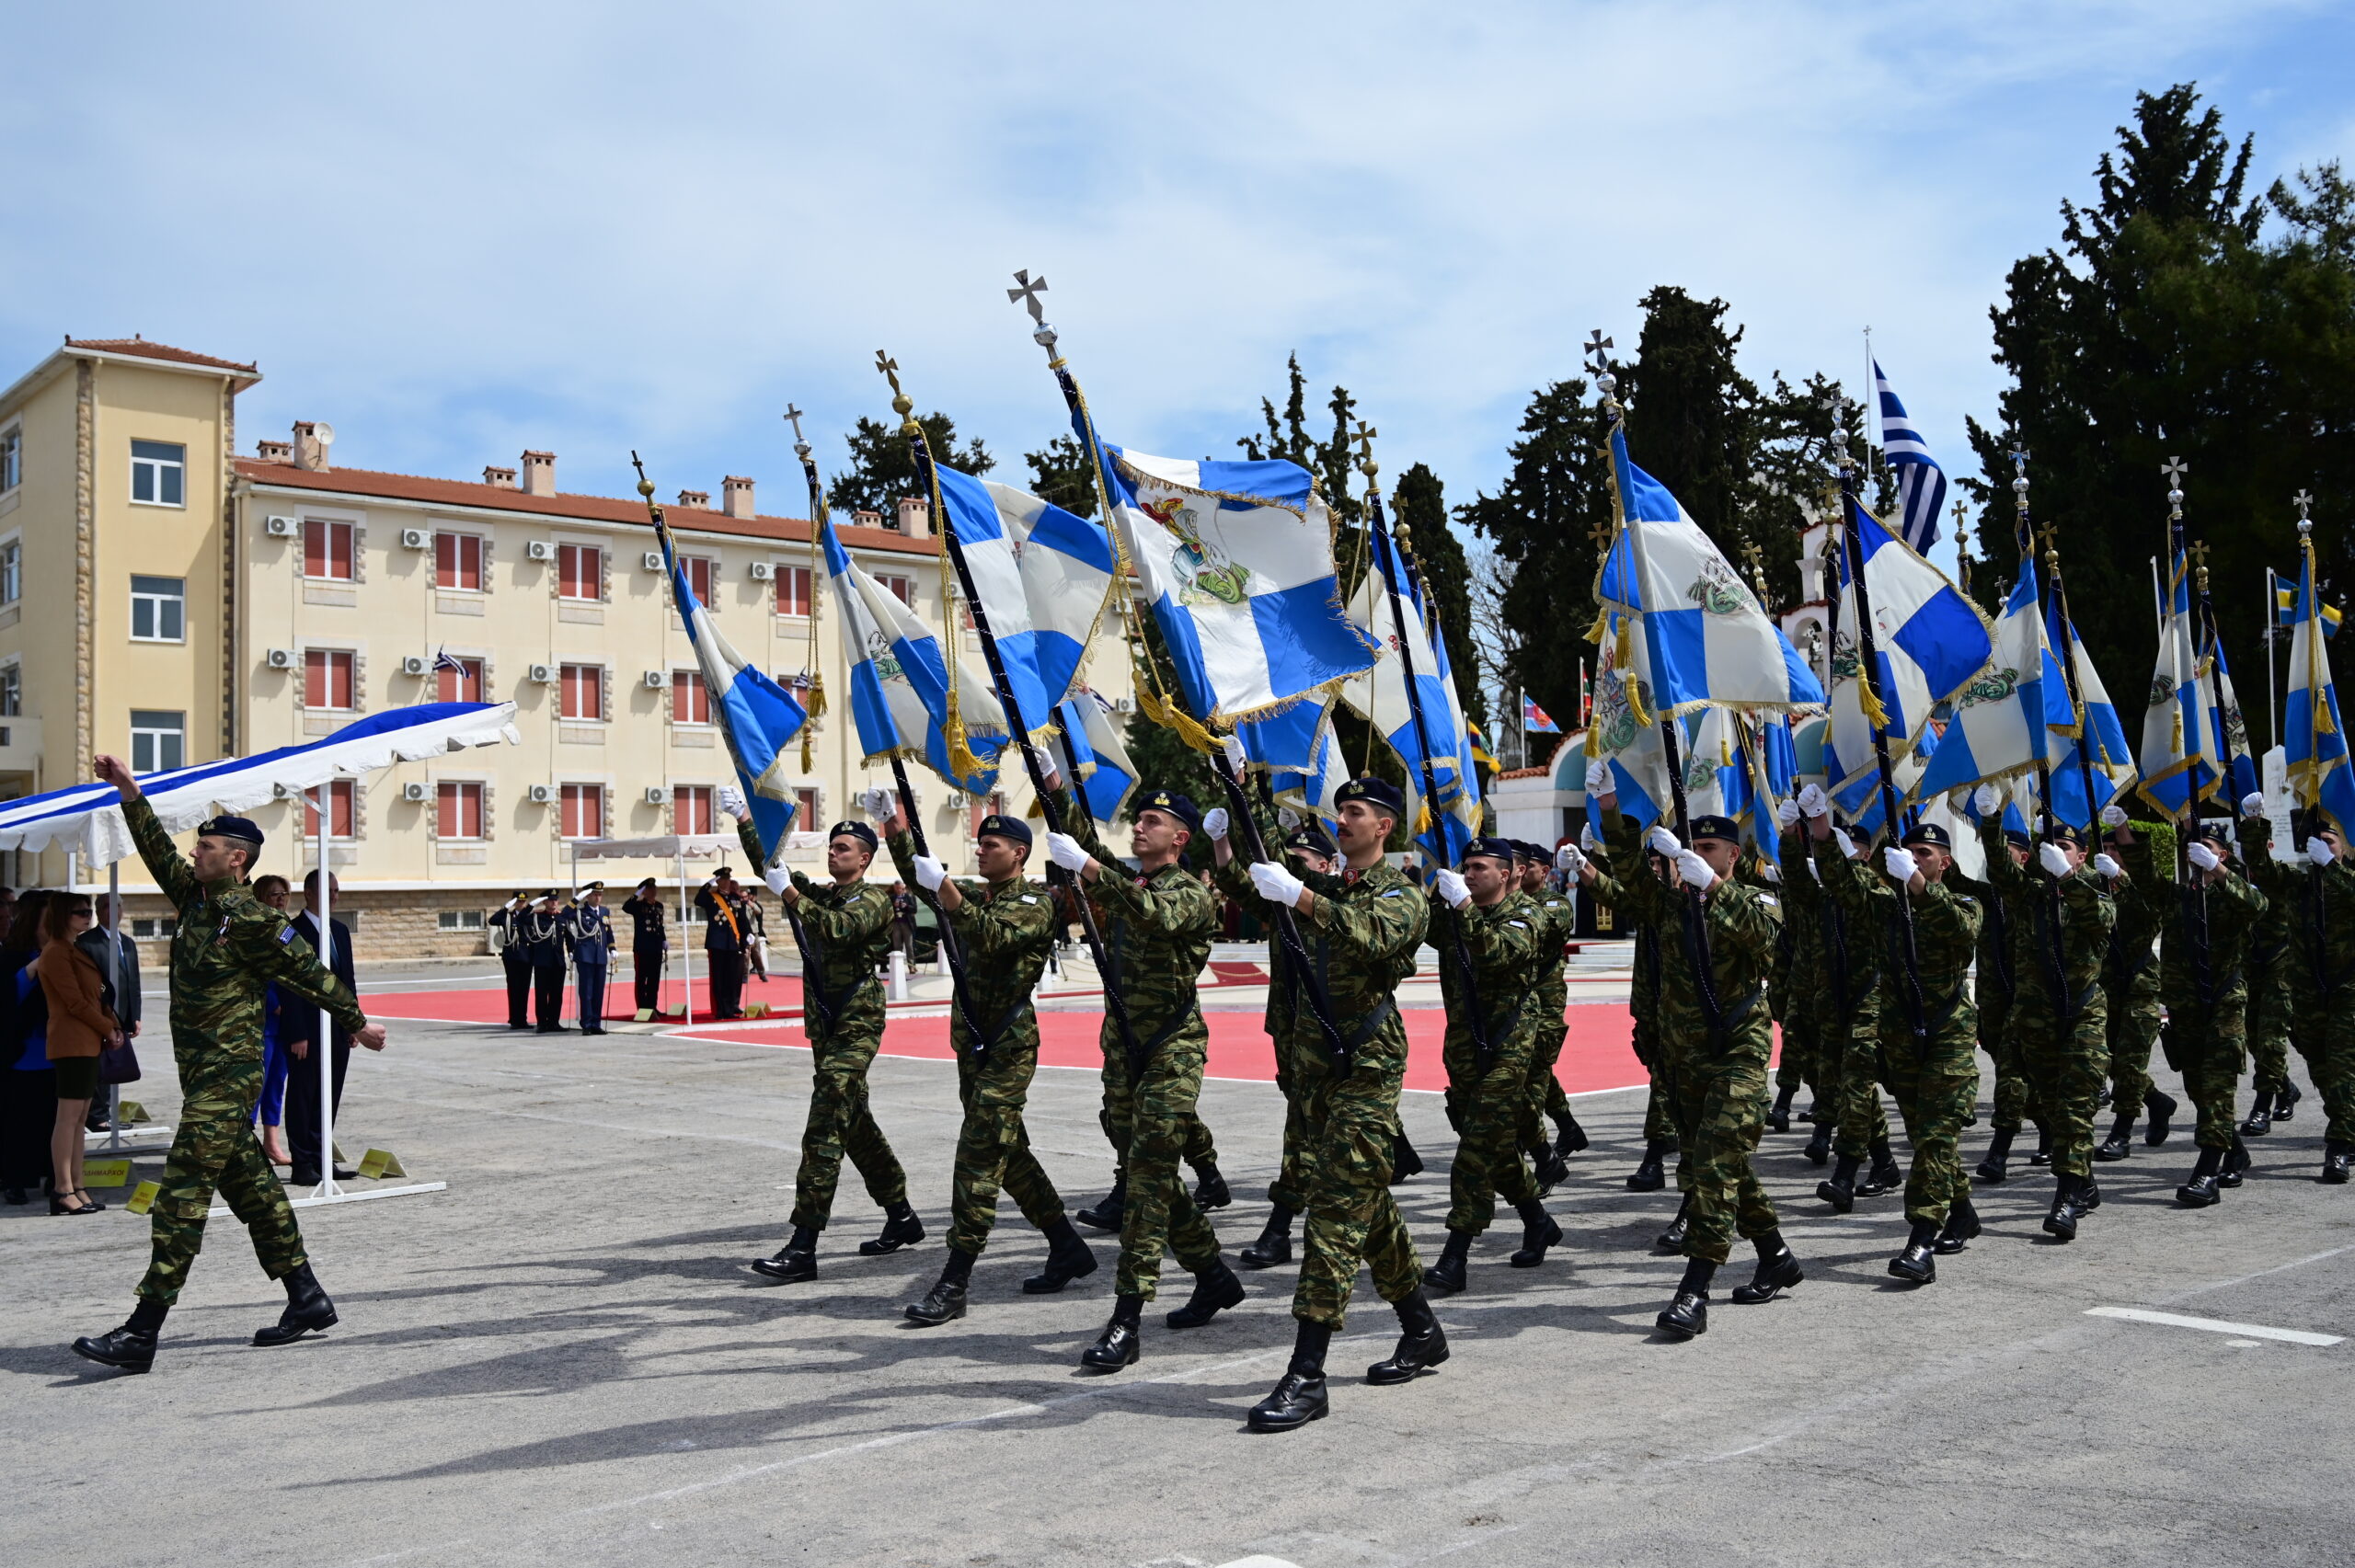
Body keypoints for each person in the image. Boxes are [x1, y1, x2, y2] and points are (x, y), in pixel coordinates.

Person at [72, 753, 386, 1375]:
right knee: (253, 1189)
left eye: (207, 845)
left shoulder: (252, 918)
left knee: (182, 1194)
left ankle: (143, 1328)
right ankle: (306, 1295)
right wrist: (129, 789)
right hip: (203, 1078)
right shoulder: (194, 899)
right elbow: (154, 842)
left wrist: (355, 1021)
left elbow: (310, 972)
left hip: (228, 1078)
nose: (196, 852)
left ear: (236, 857)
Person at [1231, 776, 1443, 1434]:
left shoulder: (1402, 893)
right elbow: (1256, 873)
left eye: (1354, 812)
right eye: (1341, 809)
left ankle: (1308, 1372)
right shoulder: (1329, 888)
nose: (1342, 819)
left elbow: (1373, 937)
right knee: (1366, 1203)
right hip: (1315, 1071)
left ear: (1385, 826)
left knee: (1330, 1211)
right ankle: (1422, 1327)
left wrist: (1301, 896)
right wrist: (1243, 793)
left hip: (1367, 1065)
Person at [1045, 783, 1244, 1372]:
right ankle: (1211, 1275)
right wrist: (1059, 792)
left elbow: (1153, 916)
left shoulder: (1189, 893)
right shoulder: (1132, 885)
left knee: (1147, 1180)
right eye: (1138, 819)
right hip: (1124, 1047)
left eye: (1152, 821)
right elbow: (1091, 859)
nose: (1139, 827)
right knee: (1148, 1171)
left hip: (1171, 1049)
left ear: (1180, 839)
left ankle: (1126, 1318)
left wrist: (1089, 868)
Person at [1591, 784, 1795, 1340]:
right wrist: (1611, 810)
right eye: (1692, 848)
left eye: (1711, 848)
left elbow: (1766, 942)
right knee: (1724, 1162)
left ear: (1733, 855)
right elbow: (1630, 876)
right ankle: (1775, 1255)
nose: (1700, 856)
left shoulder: (1756, 899)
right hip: (1685, 1054)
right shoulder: (1669, 904)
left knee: (1711, 1163)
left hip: (1739, 1048)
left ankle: (1694, 1288)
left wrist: (1717, 892)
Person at [892, 808, 1097, 1326]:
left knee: (979, 1156)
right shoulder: (978, 895)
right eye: (979, 843)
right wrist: (896, 832)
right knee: (1011, 1155)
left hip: (1007, 1046)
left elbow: (991, 936)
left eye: (992, 844)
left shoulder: (1033, 904)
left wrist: (947, 890)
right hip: (974, 1045)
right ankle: (1067, 1246)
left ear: (1019, 853)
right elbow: (923, 881)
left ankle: (956, 1279)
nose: (981, 849)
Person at [1804, 800, 1984, 1282]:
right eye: (1909, 851)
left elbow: (1960, 931)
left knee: (1934, 1139)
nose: (1914, 857)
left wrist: (1919, 886)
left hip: (1947, 1035)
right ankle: (1962, 1211)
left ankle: (1921, 1239)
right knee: (1928, 1137)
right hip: (1899, 1034)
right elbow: (1842, 882)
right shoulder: (1884, 904)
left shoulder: (1964, 903)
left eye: (1924, 853)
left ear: (1944, 862)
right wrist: (1821, 830)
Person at [750, 811, 922, 1282]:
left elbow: (835, 929)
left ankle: (803, 1245)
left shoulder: (873, 901)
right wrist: (749, 818)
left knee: (825, 1124)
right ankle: (902, 1217)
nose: (832, 853)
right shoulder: (828, 895)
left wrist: (788, 892)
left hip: (855, 1022)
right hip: (828, 1023)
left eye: (842, 848)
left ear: (865, 859)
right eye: (830, 846)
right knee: (855, 1124)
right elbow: (771, 864)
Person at [1419, 836, 1563, 1295]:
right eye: (1467, 867)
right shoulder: (1458, 915)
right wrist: (1431, 896)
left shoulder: (1527, 915)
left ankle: (1455, 1254)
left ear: (1506, 874)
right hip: (1463, 1046)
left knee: (1475, 1152)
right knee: (1495, 1147)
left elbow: (1499, 953)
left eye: (1480, 867)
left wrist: (1461, 908)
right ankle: (1537, 1220)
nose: (1470, 873)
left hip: (1508, 1047)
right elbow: (1420, 930)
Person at [1973, 784, 2116, 1239]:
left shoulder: (2097, 887)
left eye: (2065, 847)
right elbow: (2000, 869)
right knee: (2052, 1109)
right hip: (2036, 1019)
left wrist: (2070, 880)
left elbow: (2101, 920)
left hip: (2081, 1013)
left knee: (2075, 1108)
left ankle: (2066, 1197)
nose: (2054, 854)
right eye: (2047, 847)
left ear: (2082, 854)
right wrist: (1990, 818)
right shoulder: (2030, 894)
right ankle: (2084, 1181)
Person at [2108, 810, 2264, 1205]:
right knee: (2197, 1087)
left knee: (2215, 1089)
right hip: (2185, 1008)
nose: (2197, 858)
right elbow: (2145, 877)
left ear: (2222, 856)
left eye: (2206, 851)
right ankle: (2235, 1153)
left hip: (2224, 1005)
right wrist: (2123, 832)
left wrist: (2220, 874)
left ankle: (2206, 1171)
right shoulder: (2178, 898)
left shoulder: (2233, 896)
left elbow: (2258, 905)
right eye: (2193, 852)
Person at [1216, 817, 1338, 1272]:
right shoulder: (1279, 907)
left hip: (1332, 1037)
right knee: (1313, 1126)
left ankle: (1280, 1227)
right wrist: (1221, 841)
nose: (1289, 870)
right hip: (1291, 1033)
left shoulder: (1330, 903)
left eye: (1300, 863)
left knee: (1306, 1132)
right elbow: (1237, 885)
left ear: (1325, 865)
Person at [2236, 803, 2353, 1184]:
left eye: (2329, 840)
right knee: (2321, 1069)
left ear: (2345, 846)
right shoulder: (2299, 884)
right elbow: (2261, 869)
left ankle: (2337, 1145)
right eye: (2316, 840)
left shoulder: (2348, 879)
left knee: (2341, 1070)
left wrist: (2333, 869)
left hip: (2347, 991)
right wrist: (2254, 825)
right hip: (2308, 992)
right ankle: (2346, 1124)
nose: (2321, 845)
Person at [1950, 823, 2038, 1181]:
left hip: (2031, 1003)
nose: (1996, 859)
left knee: (2012, 1074)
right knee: (2022, 1071)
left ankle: (1999, 1150)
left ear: (2025, 857)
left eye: (2006, 851)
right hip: (1994, 1002)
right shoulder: (1985, 896)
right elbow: (1950, 877)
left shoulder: (2034, 895)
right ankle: (2046, 1131)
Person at [2094, 805, 2176, 1161]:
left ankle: (2122, 1130)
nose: (2111, 855)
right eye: (2106, 849)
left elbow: (2147, 915)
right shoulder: (2093, 888)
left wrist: (2122, 881)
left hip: (2141, 984)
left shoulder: (2145, 886)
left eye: (2117, 849)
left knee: (2130, 1062)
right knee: (2109, 1059)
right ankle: (2158, 1102)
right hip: (2104, 985)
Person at [34, 892, 119, 1215]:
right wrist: (106, 1028)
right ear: (61, 916)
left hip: (86, 1041)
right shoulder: (56, 952)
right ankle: (62, 1188)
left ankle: (77, 1184)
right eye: (79, 912)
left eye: (88, 911)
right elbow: (75, 1003)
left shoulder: (72, 949)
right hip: (71, 1041)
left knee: (79, 1118)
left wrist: (111, 1025)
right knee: (68, 1118)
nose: (88, 917)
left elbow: (95, 996)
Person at [281, 872, 360, 1186]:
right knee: (304, 1096)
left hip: (337, 1029)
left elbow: (348, 982)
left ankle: (322, 1159)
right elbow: (289, 985)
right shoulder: (291, 931)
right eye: (329, 891)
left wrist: (354, 1022)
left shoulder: (339, 930)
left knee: (329, 1096)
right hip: (307, 1031)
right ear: (309, 893)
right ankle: (302, 1162)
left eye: (338, 891)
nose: (335, 896)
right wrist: (297, 1032)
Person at [1515, 841, 1587, 1184]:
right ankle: (1569, 1128)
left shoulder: (1555, 903)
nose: (1518, 870)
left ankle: (1539, 1161)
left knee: (1534, 1078)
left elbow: (1542, 926)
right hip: (1515, 1003)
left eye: (1525, 865)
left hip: (1545, 1001)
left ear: (1544, 872)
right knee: (1536, 1071)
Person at [1, 892, 57, 1206]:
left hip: (59, 1052)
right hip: (23, 1053)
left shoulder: (68, 952)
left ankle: (53, 1176)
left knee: (53, 1119)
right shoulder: (14, 955)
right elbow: (9, 998)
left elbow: (102, 986)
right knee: (20, 1122)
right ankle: (16, 1180)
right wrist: (34, 968)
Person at [77, 890, 140, 1134]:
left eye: (118, 907)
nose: (114, 912)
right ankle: (97, 1116)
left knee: (117, 1065)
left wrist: (135, 1015)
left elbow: (133, 981)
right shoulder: (88, 942)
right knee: (100, 1067)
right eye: (107, 907)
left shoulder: (128, 942)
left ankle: (107, 1113)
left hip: (123, 1015)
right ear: (99, 910)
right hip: (101, 1015)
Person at [249, 875, 294, 1166]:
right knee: (257, 1084)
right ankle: (247, 1146)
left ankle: (272, 1143)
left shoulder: (289, 928)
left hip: (288, 1022)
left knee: (277, 1083)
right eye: (274, 894)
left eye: (284, 894)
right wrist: (276, 1005)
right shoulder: (253, 929)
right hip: (264, 1021)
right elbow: (257, 972)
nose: (280, 899)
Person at [695, 868, 751, 1021]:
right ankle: (720, 1010)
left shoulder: (735, 898)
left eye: (728, 879)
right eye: (723, 879)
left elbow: (742, 921)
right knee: (719, 979)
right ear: (718, 881)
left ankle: (730, 1009)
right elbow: (698, 900)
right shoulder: (711, 897)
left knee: (732, 978)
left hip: (733, 943)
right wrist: (709, 883)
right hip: (717, 943)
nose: (726, 882)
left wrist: (747, 938)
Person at [565, 883, 613, 1035]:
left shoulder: (605, 911)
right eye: (594, 894)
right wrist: (575, 900)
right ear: (587, 896)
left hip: (600, 957)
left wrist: (612, 948)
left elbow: (608, 931)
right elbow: (563, 916)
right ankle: (586, 1024)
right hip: (585, 957)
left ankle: (596, 1023)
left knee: (598, 992)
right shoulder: (580, 912)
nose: (598, 897)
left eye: (600, 894)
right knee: (587, 992)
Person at [521, 891, 569, 1032]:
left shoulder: (562, 918)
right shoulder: (537, 917)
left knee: (556, 994)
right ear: (544, 902)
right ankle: (542, 1023)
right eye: (550, 900)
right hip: (542, 962)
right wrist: (531, 905)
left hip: (558, 962)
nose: (554, 902)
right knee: (541, 995)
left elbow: (569, 936)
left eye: (555, 900)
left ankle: (554, 1022)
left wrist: (571, 952)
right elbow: (520, 919)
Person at [622, 877, 669, 1015]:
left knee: (654, 980)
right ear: (644, 892)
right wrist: (637, 893)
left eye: (654, 888)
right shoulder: (637, 906)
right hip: (642, 949)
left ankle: (652, 1007)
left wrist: (664, 940)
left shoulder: (659, 906)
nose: (653, 891)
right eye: (649, 889)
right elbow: (625, 907)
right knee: (642, 980)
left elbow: (660, 926)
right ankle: (643, 1010)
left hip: (656, 948)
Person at [487, 893, 534, 1028]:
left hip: (526, 956)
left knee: (524, 989)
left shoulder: (530, 916)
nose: (521, 904)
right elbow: (492, 920)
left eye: (523, 901)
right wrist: (506, 907)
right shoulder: (507, 916)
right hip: (511, 957)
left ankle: (522, 1019)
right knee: (513, 988)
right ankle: (514, 1019)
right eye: (518, 901)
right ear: (514, 902)